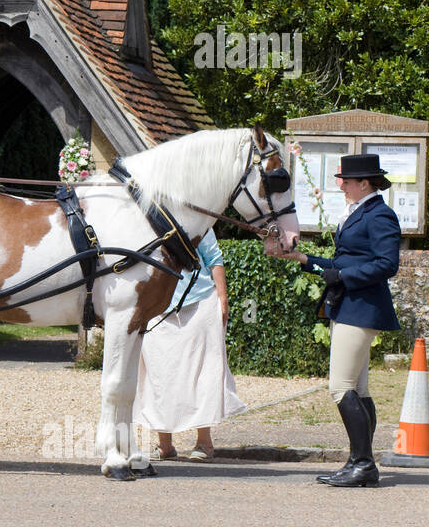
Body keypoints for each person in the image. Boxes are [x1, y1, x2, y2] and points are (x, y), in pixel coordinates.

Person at [266, 153, 400, 488]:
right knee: (359, 388)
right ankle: (359, 462)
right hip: (349, 305)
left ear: (364, 183)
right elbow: (341, 262)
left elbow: (387, 264)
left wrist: (343, 275)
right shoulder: (359, 212)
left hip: (361, 308)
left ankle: (364, 463)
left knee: (340, 388)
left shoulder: (380, 214)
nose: (341, 185)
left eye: (346, 181)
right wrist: (303, 258)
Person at [134, 228, 246, 462]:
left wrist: (222, 299)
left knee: (203, 372)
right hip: (158, 305)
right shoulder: (146, 220)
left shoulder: (199, 221)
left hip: (200, 303)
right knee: (158, 374)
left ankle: (204, 443)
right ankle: (165, 445)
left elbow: (214, 259)